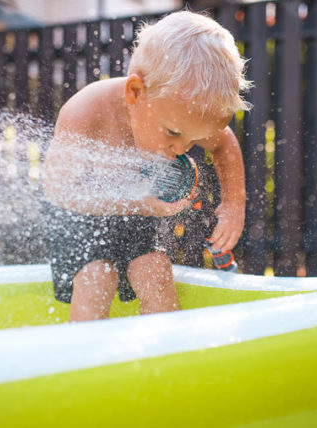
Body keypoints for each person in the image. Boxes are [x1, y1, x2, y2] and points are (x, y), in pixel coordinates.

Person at [41, 10, 251, 322]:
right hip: (79, 219)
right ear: (136, 92)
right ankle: (84, 363)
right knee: (98, 277)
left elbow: (223, 144)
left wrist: (234, 205)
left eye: (194, 141)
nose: (180, 150)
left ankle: (165, 362)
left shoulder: (175, 110)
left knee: (155, 271)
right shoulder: (86, 113)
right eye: (174, 133)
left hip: (139, 214)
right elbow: (58, 190)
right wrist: (135, 204)